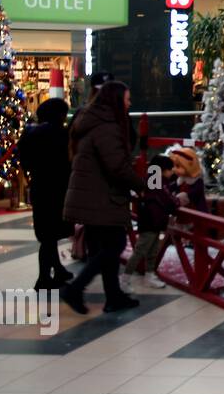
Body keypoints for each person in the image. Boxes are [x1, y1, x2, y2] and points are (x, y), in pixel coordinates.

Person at [60, 81, 145, 315]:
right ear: (116, 100)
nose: (130, 103)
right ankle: (75, 289)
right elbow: (117, 166)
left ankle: (114, 296)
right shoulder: (107, 127)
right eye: (127, 99)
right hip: (102, 197)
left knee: (103, 249)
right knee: (114, 245)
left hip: (91, 196)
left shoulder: (92, 121)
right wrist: (141, 186)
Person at [16, 97, 73, 291]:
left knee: (49, 233)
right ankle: (42, 278)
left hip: (39, 186)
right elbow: (67, 162)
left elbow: (25, 161)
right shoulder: (60, 134)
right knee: (51, 235)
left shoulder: (30, 133)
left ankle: (57, 269)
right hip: (57, 188)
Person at [126, 155, 179, 288]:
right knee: (141, 250)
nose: (172, 171)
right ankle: (125, 278)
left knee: (152, 251)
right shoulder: (156, 182)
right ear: (162, 170)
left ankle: (149, 275)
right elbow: (167, 199)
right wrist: (177, 202)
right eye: (170, 169)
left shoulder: (153, 179)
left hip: (154, 221)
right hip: (151, 221)